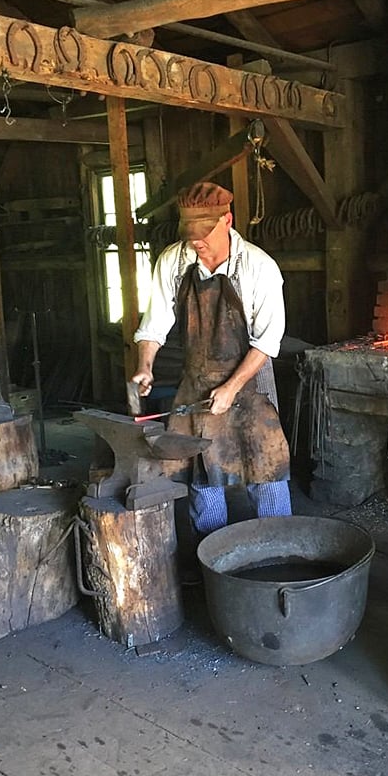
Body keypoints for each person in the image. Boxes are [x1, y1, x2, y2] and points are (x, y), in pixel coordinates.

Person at [131, 180, 291, 536]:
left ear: (227, 220)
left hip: (250, 380)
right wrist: (145, 365)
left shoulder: (258, 267)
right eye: (191, 233)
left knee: (265, 466)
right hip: (198, 380)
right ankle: (212, 554)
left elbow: (267, 341)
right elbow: (154, 324)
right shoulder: (173, 261)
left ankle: (280, 545)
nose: (197, 241)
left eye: (205, 232)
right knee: (203, 470)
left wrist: (233, 387)